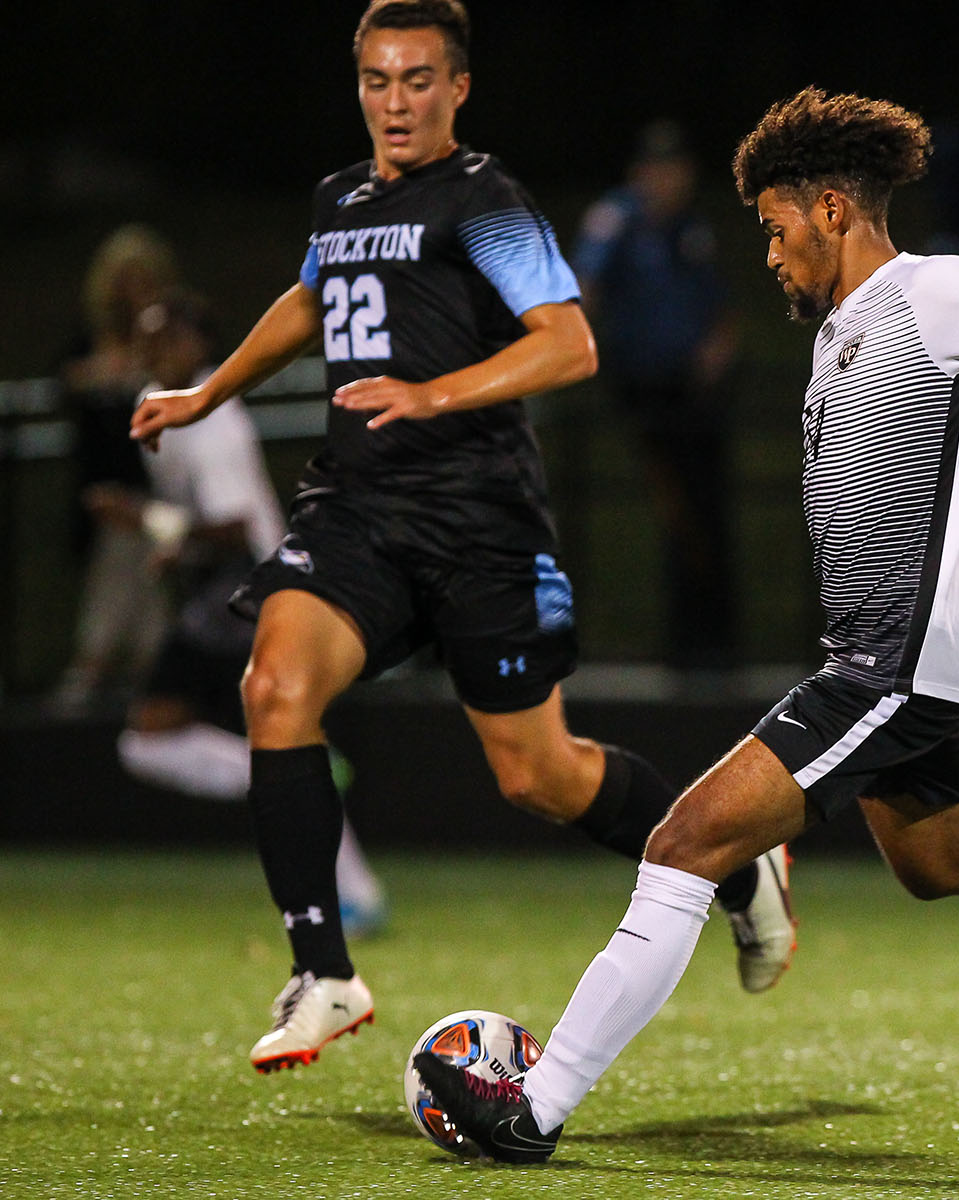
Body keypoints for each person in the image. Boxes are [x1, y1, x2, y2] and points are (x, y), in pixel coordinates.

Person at [414, 86, 959, 1164]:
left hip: (892, 665)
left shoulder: (940, 292)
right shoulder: (835, 339)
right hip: (892, 654)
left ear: (831, 209)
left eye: (773, 231)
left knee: (683, 846)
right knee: (939, 863)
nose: (768, 256)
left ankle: (532, 1110)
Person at [128, 0, 793, 1075]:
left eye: (418, 80)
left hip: (478, 520)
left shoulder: (487, 199)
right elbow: (311, 301)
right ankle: (325, 973)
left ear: (458, 88)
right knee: (274, 690)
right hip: (355, 510)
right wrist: (207, 392)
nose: (396, 102)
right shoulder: (341, 197)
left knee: (538, 776)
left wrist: (435, 395)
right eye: (378, 81)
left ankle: (735, 865)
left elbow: (569, 345)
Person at [97, 291, 389, 936]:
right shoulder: (171, 402)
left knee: (151, 735)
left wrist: (148, 522)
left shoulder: (211, 417)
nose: (152, 349)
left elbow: (230, 526)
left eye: (165, 336)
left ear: (199, 345)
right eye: (144, 337)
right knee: (275, 746)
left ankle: (302, 792)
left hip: (245, 590)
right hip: (248, 588)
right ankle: (356, 889)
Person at [572, 120, 742, 668]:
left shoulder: (691, 228)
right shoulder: (617, 220)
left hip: (695, 396)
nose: (669, 179)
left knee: (710, 510)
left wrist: (717, 351)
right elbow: (582, 294)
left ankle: (714, 639)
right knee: (674, 514)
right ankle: (684, 642)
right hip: (643, 394)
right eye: (659, 168)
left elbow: (720, 307)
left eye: (677, 168)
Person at [49, 225, 181, 712]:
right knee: (129, 572)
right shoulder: (90, 344)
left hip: (159, 491)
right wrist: (95, 376)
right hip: (102, 495)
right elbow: (61, 383)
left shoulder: (170, 342)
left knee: (132, 569)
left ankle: (90, 677)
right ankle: (139, 679)